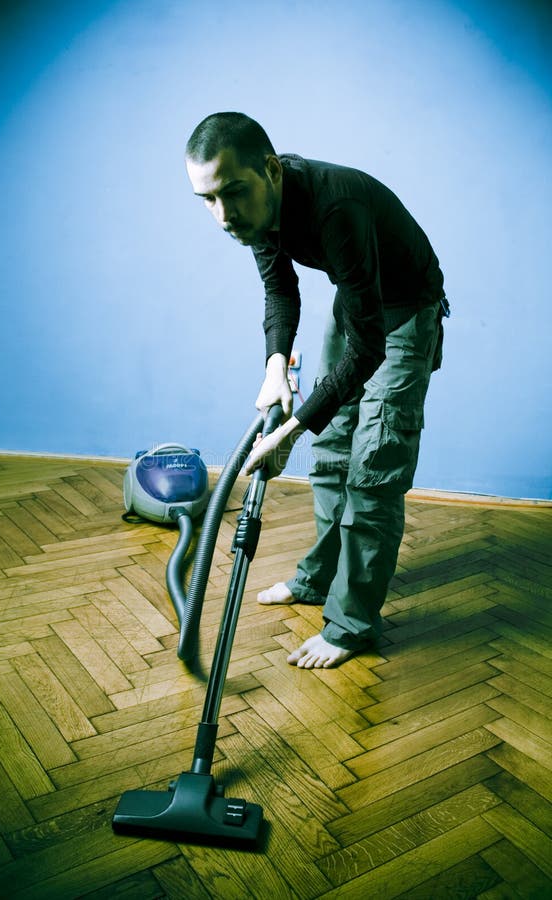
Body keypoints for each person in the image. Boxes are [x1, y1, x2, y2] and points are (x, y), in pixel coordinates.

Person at [185, 112, 448, 670]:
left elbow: (369, 347)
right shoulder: (254, 215)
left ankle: (351, 623)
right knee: (329, 455)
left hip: (402, 312)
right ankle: (319, 578)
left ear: (271, 171)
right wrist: (275, 366)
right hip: (358, 304)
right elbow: (279, 288)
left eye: (233, 192)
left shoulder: (335, 209)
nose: (224, 215)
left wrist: (288, 429)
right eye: (207, 199)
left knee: (373, 468)